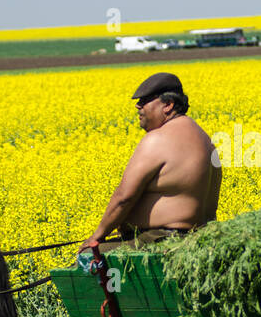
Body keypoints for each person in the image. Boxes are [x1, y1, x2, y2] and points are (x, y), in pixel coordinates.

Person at [80, 72, 221, 255]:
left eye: (144, 100)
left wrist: (96, 237)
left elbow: (124, 198)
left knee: (87, 258)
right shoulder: (206, 140)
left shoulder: (159, 139)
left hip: (164, 239)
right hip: (199, 236)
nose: (138, 106)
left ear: (168, 105)